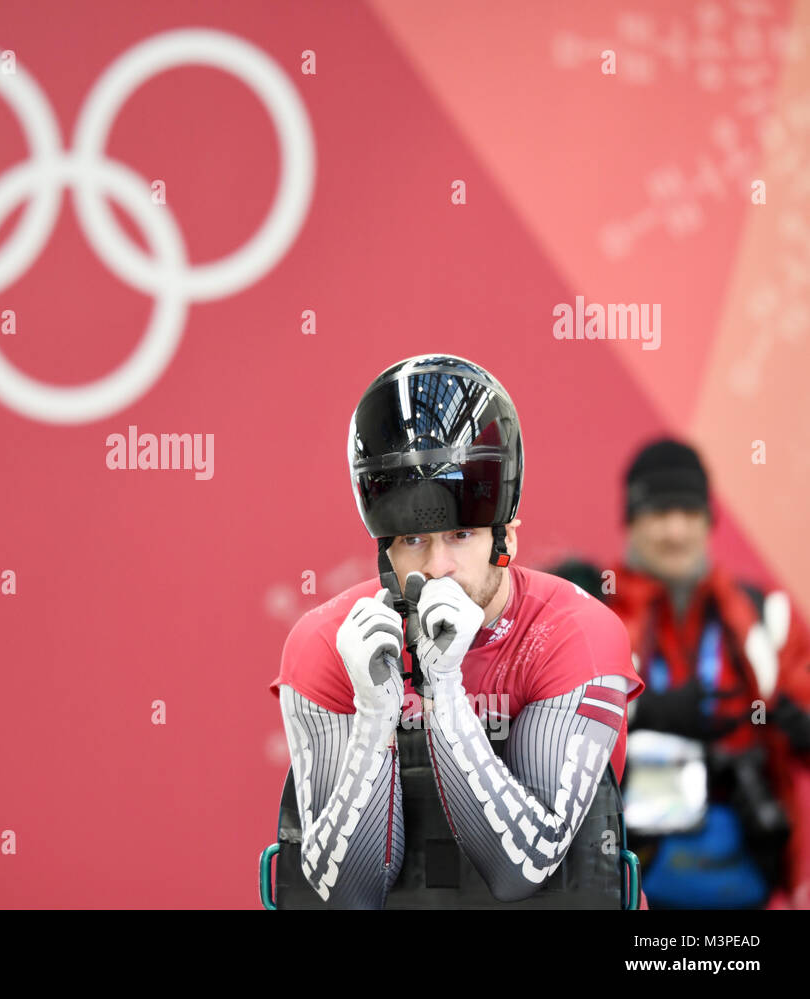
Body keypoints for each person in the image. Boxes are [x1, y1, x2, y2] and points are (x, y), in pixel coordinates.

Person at [268, 354, 646, 908]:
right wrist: (373, 716)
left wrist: (442, 689)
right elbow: (345, 894)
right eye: (413, 541)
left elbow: (523, 871)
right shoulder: (325, 644)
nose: (439, 566)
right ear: (385, 552)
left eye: (461, 535)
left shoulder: (575, 633)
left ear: (506, 538)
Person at [598, 438, 810, 908]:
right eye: (659, 513)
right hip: (627, 874)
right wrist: (644, 713)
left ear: (708, 521)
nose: (675, 531)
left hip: (745, 871)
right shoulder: (594, 609)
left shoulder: (765, 617)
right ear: (632, 520)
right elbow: (548, 731)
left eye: (689, 512)